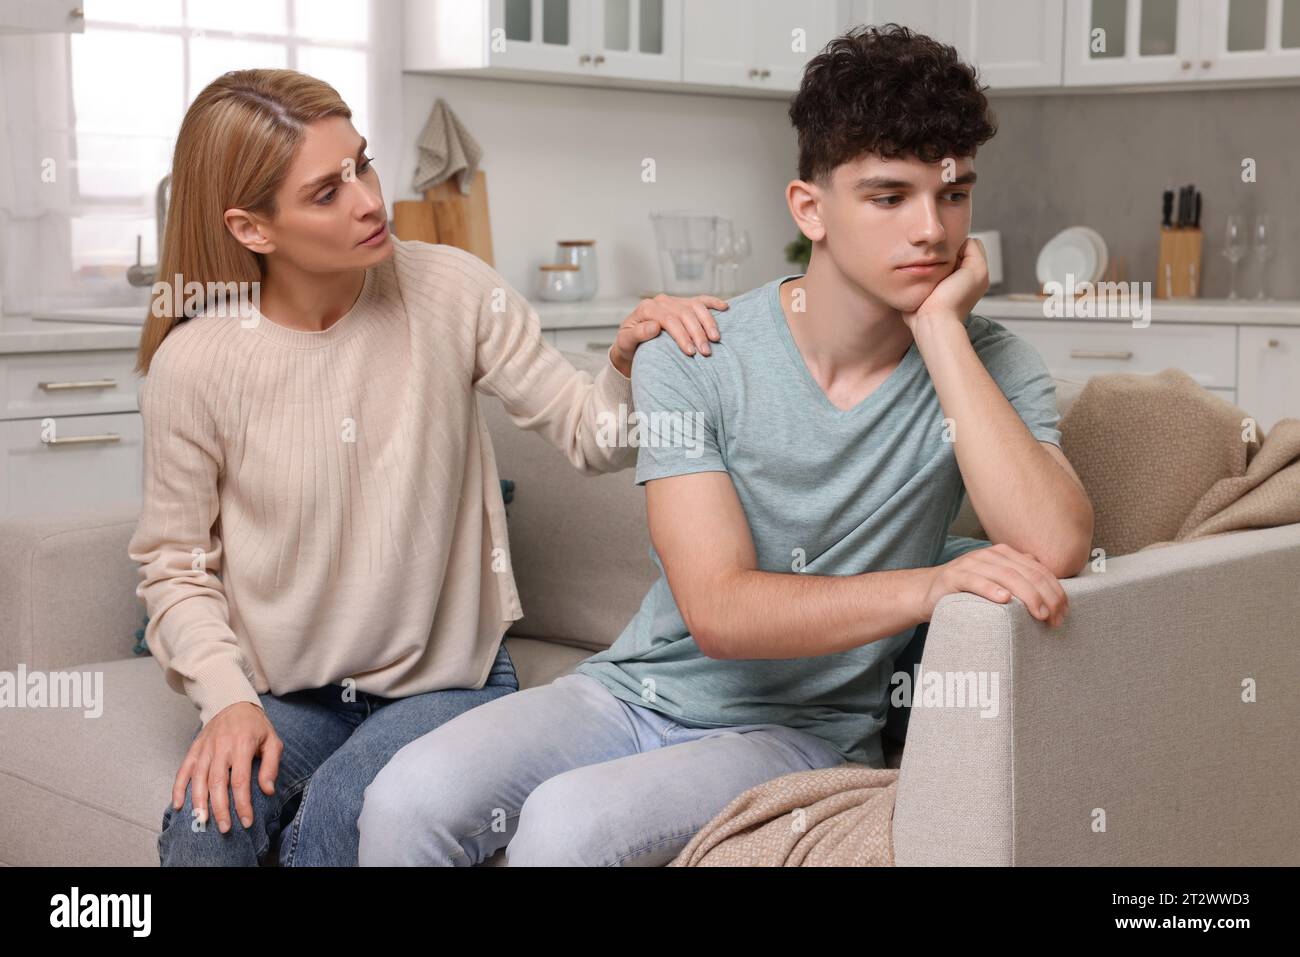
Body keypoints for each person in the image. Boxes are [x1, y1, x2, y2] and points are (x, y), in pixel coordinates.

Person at [356, 23, 1095, 867]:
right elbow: (719, 610)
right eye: (890, 198)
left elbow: (1057, 542)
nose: (932, 229)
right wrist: (930, 586)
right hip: (632, 691)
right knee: (403, 797)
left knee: (566, 826)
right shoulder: (692, 349)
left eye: (954, 194)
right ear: (809, 209)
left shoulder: (991, 363)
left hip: (801, 733)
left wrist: (941, 334)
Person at [128, 68, 724, 867]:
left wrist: (624, 357)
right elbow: (173, 566)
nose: (370, 200)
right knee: (207, 830)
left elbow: (596, 436)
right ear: (253, 228)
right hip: (287, 696)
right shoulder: (197, 364)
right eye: (326, 192)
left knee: (344, 816)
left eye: (361, 165)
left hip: (450, 683)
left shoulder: (452, 290)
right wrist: (229, 700)